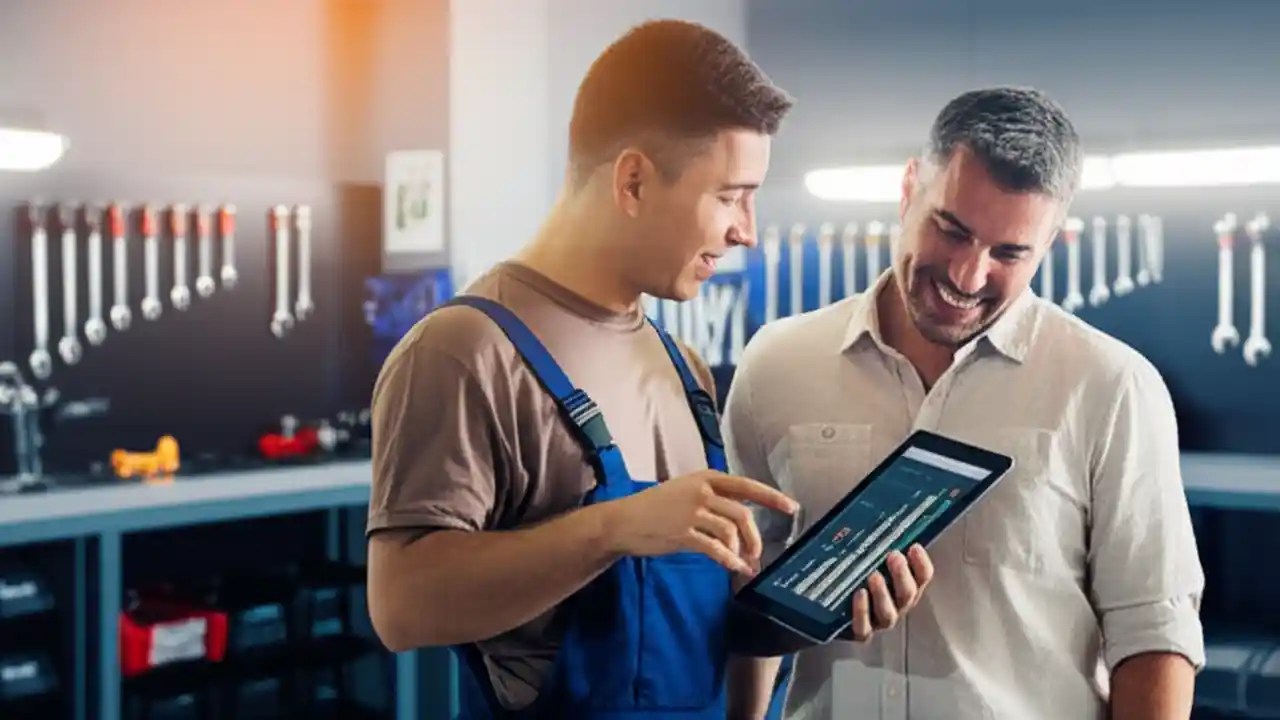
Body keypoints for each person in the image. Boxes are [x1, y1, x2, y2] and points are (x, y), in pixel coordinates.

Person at [364, 19, 932, 720]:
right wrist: (615, 528)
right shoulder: (462, 352)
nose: (746, 230)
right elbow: (401, 606)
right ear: (632, 180)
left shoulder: (680, 364)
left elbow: (715, 620)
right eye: (729, 195)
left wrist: (814, 606)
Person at [722, 86, 1206, 719]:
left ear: (1050, 244)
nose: (967, 276)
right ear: (907, 191)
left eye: (1009, 253)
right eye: (950, 230)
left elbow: (1153, 632)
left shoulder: (1112, 387)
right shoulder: (776, 364)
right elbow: (743, 592)